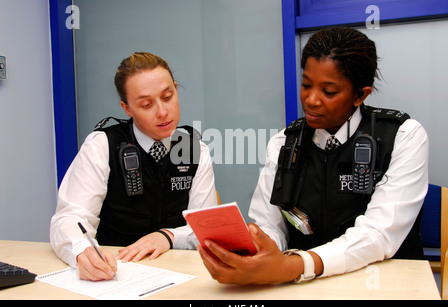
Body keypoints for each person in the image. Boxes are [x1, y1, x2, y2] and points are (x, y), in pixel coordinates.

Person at [197, 27, 429, 284]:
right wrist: (260, 250)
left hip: (384, 282)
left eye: (329, 92)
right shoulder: (284, 143)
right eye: (306, 85)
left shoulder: (403, 136)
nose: (311, 100)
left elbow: (378, 234)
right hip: (304, 284)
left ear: (360, 95)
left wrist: (295, 265)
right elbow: (270, 225)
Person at [50, 52, 217, 281]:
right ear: (127, 108)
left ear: (176, 90)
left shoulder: (193, 148)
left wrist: (167, 236)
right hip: (115, 270)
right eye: (146, 104)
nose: (162, 112)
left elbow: (204, 229)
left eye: (168, 96)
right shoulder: (102, 145)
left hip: (178, 272)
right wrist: (82, 251)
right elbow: (70, 218)